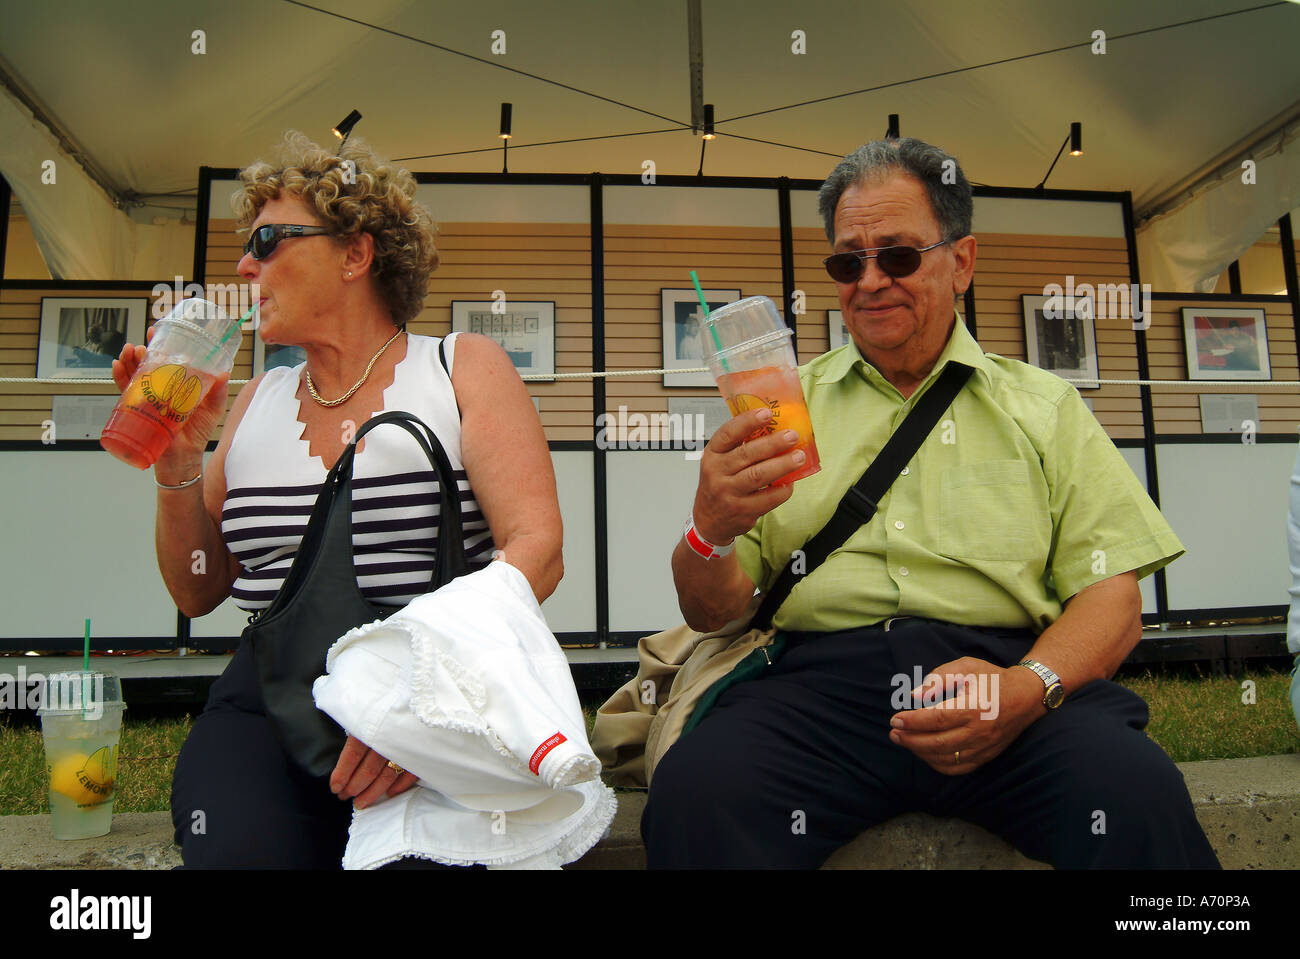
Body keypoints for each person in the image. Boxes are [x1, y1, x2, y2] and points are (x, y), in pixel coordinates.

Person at [642, 137, 1220, 869]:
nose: (871, 280)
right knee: (700, 795)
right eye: (849, 261)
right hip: (820, 695)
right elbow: (714, 611)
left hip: (1007, 681)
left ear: (963, 261)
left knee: (1137, 796)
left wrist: (1028, 687)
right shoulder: (782, 410)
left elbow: (1113, 597)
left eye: (899, 256)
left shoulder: (1043, 407)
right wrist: (710, 533)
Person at [111, 132, 563, 868]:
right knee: (238, 853)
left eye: (268, 239)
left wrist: (424, 712)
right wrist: (180, 461)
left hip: (436, 691)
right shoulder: (260, 396)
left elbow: (538, 549)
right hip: (270, 694)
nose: (244, 264)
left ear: (355, 254)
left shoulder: (460, 368)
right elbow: (197, 588)